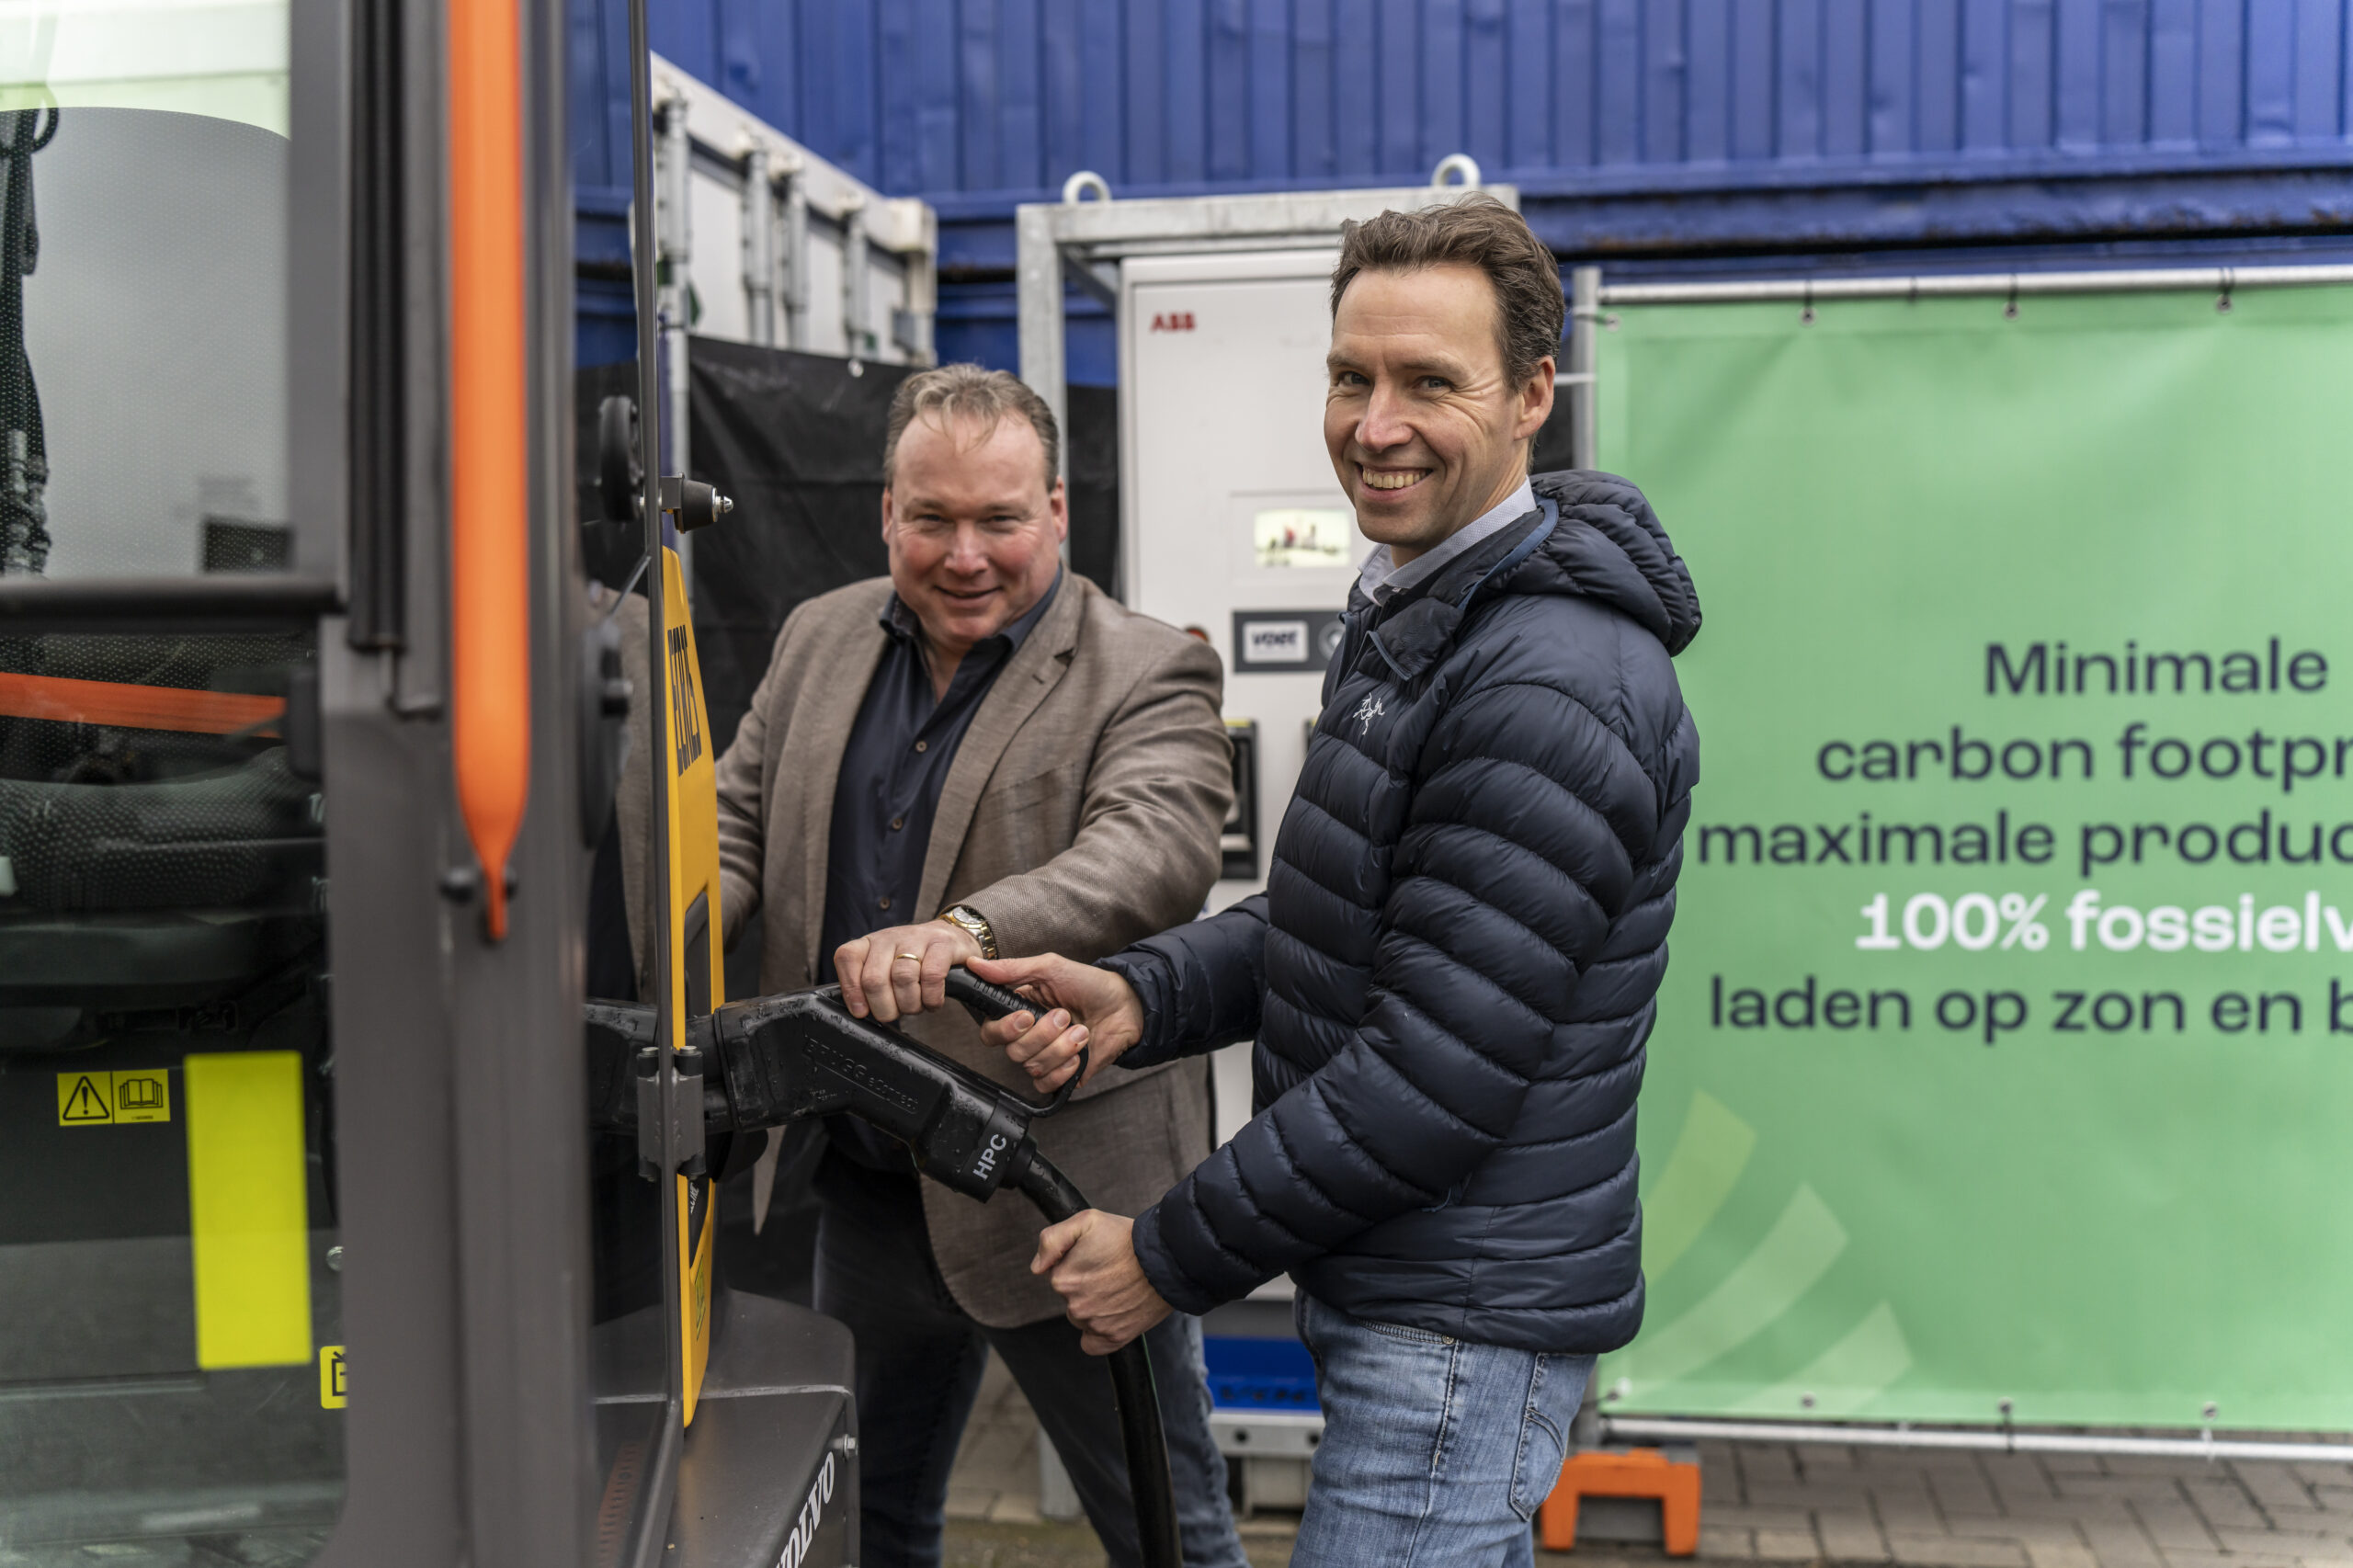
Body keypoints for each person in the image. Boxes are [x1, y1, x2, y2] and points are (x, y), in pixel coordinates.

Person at [969, 196, 1703, 1565]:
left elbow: (1430, 1073)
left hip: (1457, 1329)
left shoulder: (1550, 676)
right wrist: (1141, 993)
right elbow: (1344, 921)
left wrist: (1168, 1253)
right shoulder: (1425, 609)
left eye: (1430, 381)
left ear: (1533, 393)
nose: (1375, 423)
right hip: (1411, 1292)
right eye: (1351, 376)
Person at [710, 364, 1246, 1568]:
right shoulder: (816, 637)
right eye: (932, 519)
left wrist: (968, 932)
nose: (965, 554)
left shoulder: (1150, 665)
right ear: (884, 513)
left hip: (1063, 1190)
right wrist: (666, 926)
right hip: (867, 1180)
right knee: (871, 1519)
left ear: (1057, 509)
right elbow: (734, 819)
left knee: (1173, 1532)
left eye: (999, 519)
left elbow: (1152, 847)